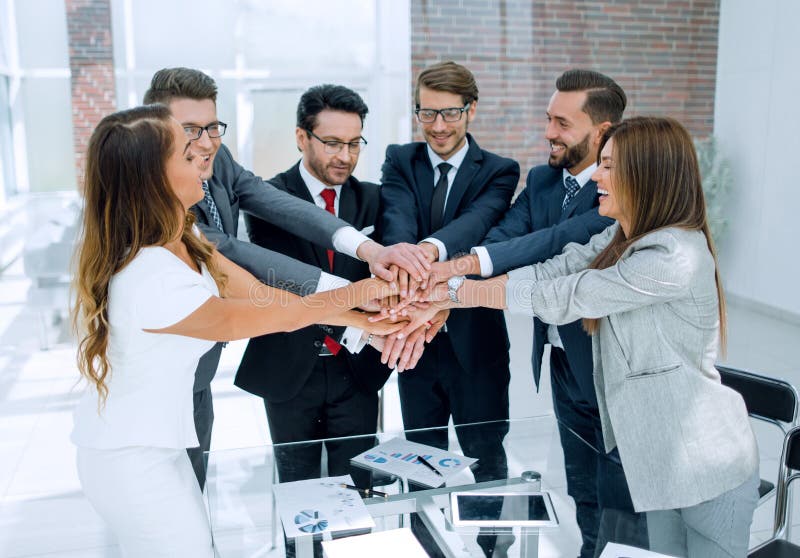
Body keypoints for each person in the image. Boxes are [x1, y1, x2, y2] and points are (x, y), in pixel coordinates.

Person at [416, 116, 759, 558]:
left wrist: (456, 291)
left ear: (648, 174)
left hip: (709, 464)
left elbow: (567, 295)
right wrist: (450, 295)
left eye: (610, 166)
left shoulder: (674, 255)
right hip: (662, 465)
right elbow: (553, 269)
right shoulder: (619, 236)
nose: (596, 175)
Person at [70, 104, 400, 557]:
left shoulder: (186, 235)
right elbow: (274, 318)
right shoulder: (149, 277)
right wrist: (366, 293)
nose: (205, 153)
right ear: (154, 179)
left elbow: (267, 298)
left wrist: (364, 322)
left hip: (161, 444)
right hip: (129, 457)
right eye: (187, 154)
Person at [142, 68, 430, 489]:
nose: (206, 143)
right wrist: (352, 303)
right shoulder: (158, 206)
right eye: (191, 130)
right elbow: (231, 253)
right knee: (174, 507)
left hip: (201, 373)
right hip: (165, 383)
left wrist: (368, 251)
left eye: (212, 127)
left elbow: (268, 200)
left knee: (192, 501)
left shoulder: (214, 157)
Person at [422, 69, 641, 557]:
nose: (548, 132)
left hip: (610, 364)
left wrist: (456, 282)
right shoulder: (543, 179)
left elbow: (554, 245)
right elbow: (508, 237)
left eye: (562, 123)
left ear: (602, 131)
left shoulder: (621, 192)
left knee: (621, 499)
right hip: (562, 359)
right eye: (548, 118)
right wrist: (453, 284)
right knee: (581, 484)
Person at [378, 60, 519, 557]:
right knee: (421, 457)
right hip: (414, 341)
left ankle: (490, 546)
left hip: (474, 341)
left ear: (471, 110)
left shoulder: (500, 171)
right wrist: (405, 253)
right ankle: (428, 547)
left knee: (485, 455)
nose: (437, 126)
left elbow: (477, 223)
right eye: (426, 113)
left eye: (449, 114)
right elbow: (395, 216)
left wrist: (429, 252)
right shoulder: (401, 159)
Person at [236, 84, 391, 489]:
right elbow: (282, 282)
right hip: (290, 366)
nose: (345, 156)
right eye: (333, 143)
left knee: (357, 490)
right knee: (298, 493)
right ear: (302, 137)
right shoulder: (267, 198)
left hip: (356, 371)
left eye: (355, 144)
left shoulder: (376, 199)